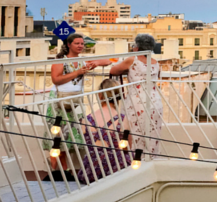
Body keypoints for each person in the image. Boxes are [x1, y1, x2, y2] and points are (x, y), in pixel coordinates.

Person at [44, 33, 99, 178]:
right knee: (56, 138)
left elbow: (109, 60)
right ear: (69, 45)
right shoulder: (60, 60)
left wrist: (96, 64)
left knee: (67, 139)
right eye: (77, 43)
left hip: (73, 104)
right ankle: (54, 171)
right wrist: (77, 73)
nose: (80, 46)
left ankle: (64, 170)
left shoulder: (81, 61)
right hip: (58, 103)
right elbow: (56, 80)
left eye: (82, 44)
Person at [109, 33, 164, 156]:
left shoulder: (132, 60)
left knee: (133, 130)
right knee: (152, 132)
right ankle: (150, 158)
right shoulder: (155, 62)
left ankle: (135, 159)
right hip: (155, 100)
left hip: (137, 100)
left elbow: (113, 70)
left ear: (137, 47)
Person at [77, 78, 132, 183]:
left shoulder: (86, 120)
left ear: (100, 96)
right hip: (116, 171)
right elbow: (127, 149)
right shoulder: (123, 120)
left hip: (91, 171)